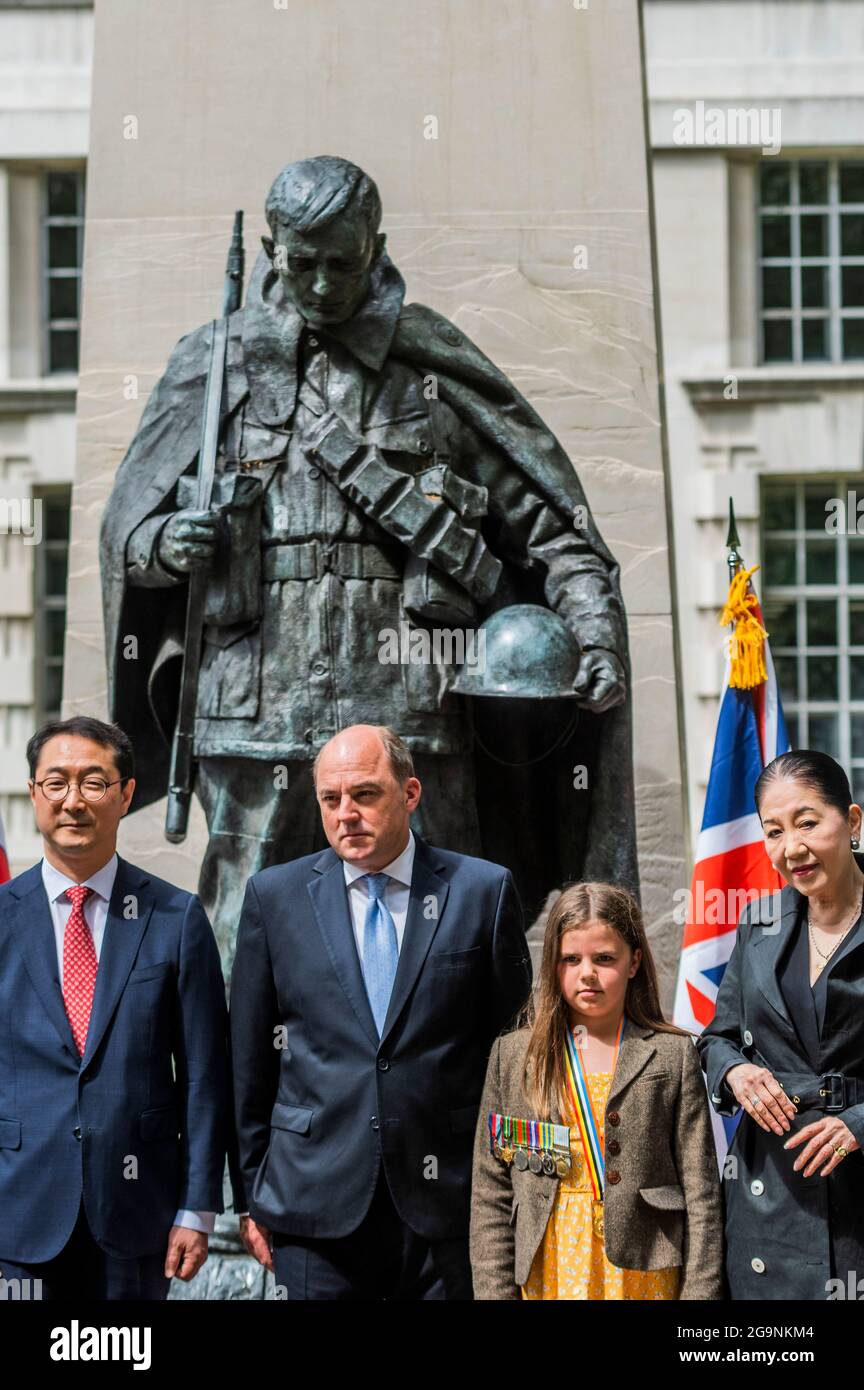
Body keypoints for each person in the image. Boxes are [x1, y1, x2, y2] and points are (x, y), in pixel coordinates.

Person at [100, 152, 638, 961]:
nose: (321, 285)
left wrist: (595, 636)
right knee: (239, 943)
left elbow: (552, 527)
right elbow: (128, 528)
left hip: (413, 709)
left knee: (445, 947)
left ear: (376, 243)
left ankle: (464, 1095)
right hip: (254, 713)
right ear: (275, 249)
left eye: (341, 263)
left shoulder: (430, 364)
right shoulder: (215, 364)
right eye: (302, 263)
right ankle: (231, 1095)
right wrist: (163, 545)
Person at [229, 723, 531, 1299]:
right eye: (331, 799)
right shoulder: (274, 897)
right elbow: (247, 1060)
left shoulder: (481, 890)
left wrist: (521, 1185)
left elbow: (517, 1056)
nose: (346, 814)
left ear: (410, 794)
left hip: (453, 1204)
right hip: (313, 1207)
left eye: (365, 794)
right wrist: (251, 1195)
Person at [0, 717, 230, 1301]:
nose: (73, 801)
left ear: (126, 794)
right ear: (34, 793)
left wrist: (198, 1207)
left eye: (93, 783)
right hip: (17, 1213)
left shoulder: (175, 918)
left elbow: (205, 1076)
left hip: (137, 1215)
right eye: (56, 783)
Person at [470, 881, 723, 1300]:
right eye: (571, 959)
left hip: (645, 1271)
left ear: (634, 961)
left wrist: (699, 1293)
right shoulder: (514, 1057)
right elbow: (490, 1192)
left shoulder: (671, 1055)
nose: (587, 972)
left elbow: (702, 1195)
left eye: (604, 958)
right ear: (553, 965)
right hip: (549, 1266)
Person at [697, 749, 864, 1299]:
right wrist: (736, 1074)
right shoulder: (760, 921)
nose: (791, 848)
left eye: (808, 823)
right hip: (768, 1193)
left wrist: (859, 1123)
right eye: (774, 831)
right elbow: (717, 1039)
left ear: (854, 821)